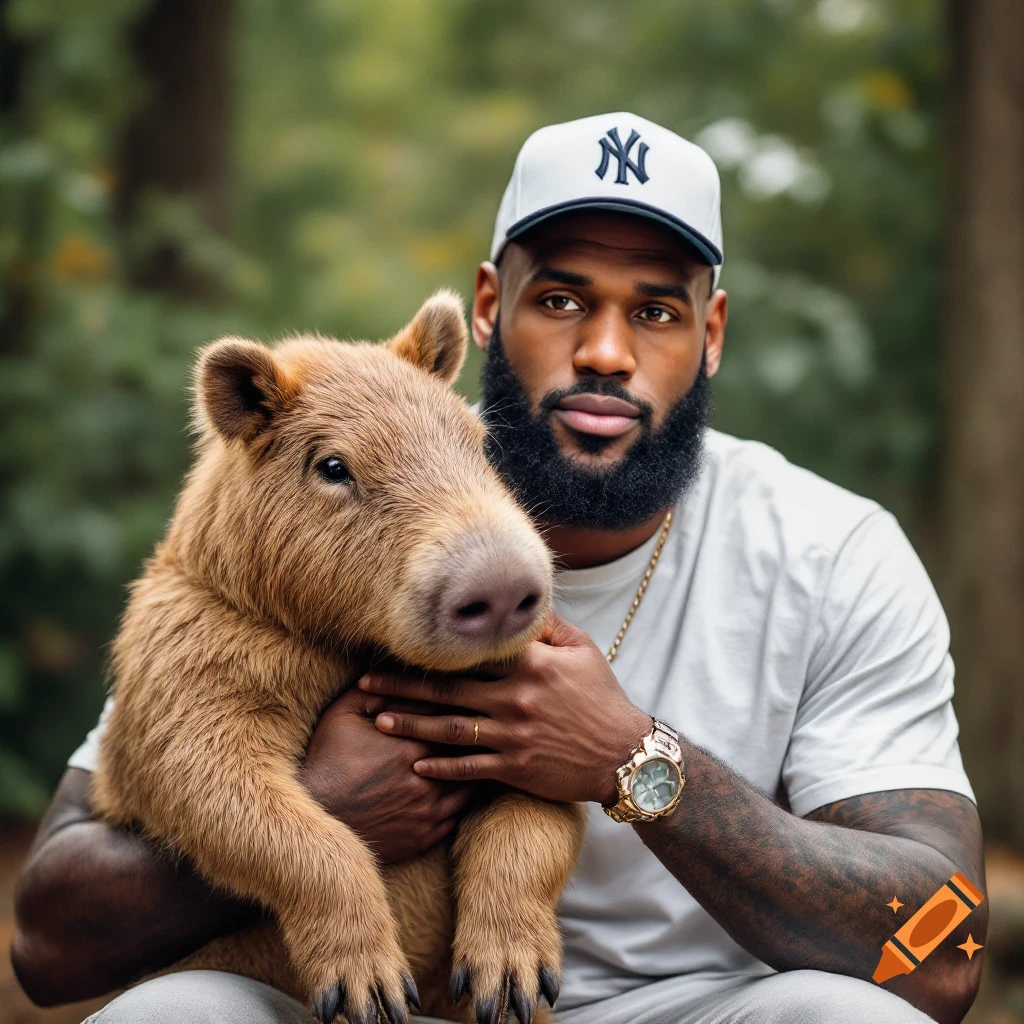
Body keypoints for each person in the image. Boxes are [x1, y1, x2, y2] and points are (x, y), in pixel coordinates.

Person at [12, 112, 986, 1024]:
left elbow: (943, 954)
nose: (604, 351)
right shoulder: (277, 562)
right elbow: (48, 943)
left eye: (655, 309)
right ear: (488, 307)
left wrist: (639, 765)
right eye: (560, 299)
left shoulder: (830, 553)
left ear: (712, 331)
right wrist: (330, 816)